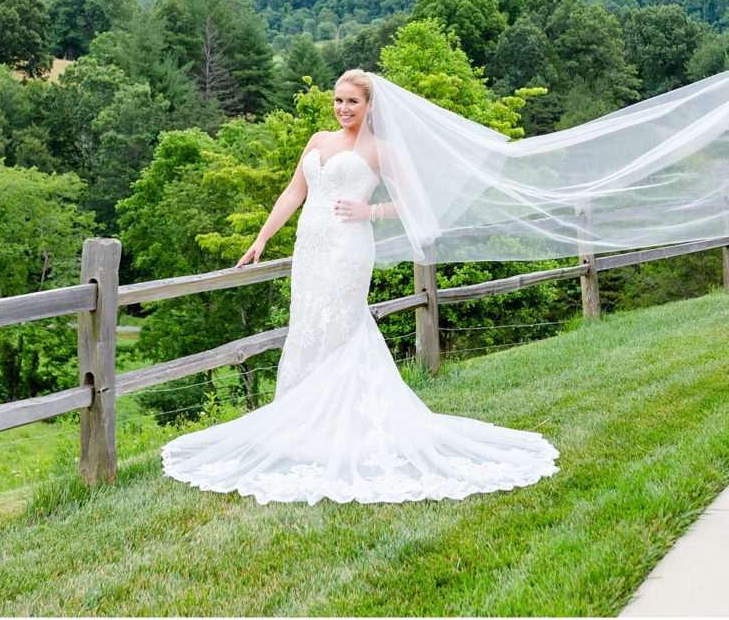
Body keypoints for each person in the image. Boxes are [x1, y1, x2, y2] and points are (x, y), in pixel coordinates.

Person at [159, 69, 561, 505]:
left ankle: (343, 427)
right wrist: (261, 238)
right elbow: (294, 193)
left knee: (340, 329)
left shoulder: (381, 148)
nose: (343, 109)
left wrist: (369, 212)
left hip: (349, 249)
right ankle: (300, 425)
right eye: (338, 101)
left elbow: (414, 201)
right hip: (310, 248)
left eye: (352, 102)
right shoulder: (317, 140)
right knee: (307, 327)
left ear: (370, 105)